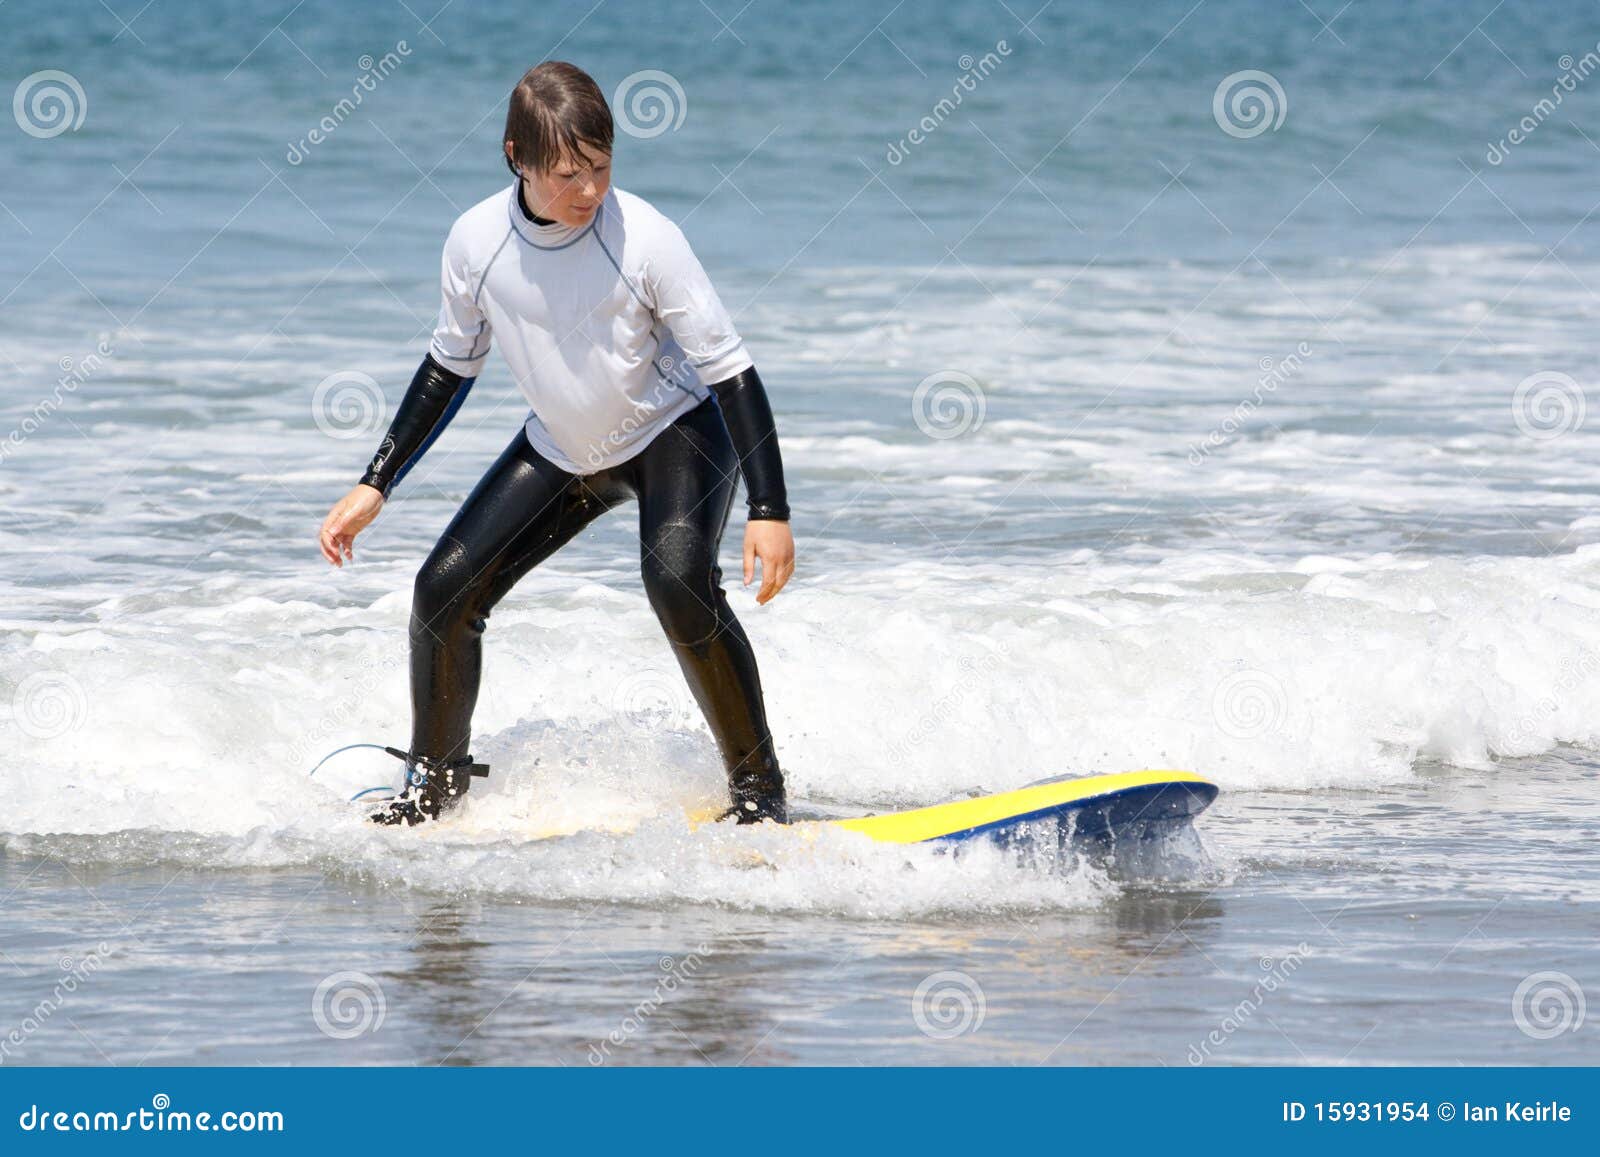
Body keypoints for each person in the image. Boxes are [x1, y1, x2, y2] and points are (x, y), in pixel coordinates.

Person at [316, 61, 795, 828]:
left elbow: (731, 372)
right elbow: (449, 366)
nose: (591, 191)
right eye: (569, 174)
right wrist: (378, 480)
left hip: (675, 431)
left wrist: (768, 507)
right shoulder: (476, 242)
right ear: (518, 158)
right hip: (565, 449)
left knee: (678, 582)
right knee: (441, 594)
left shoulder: (646, 238)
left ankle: (760, 795)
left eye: (602, 167)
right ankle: (433, 794)